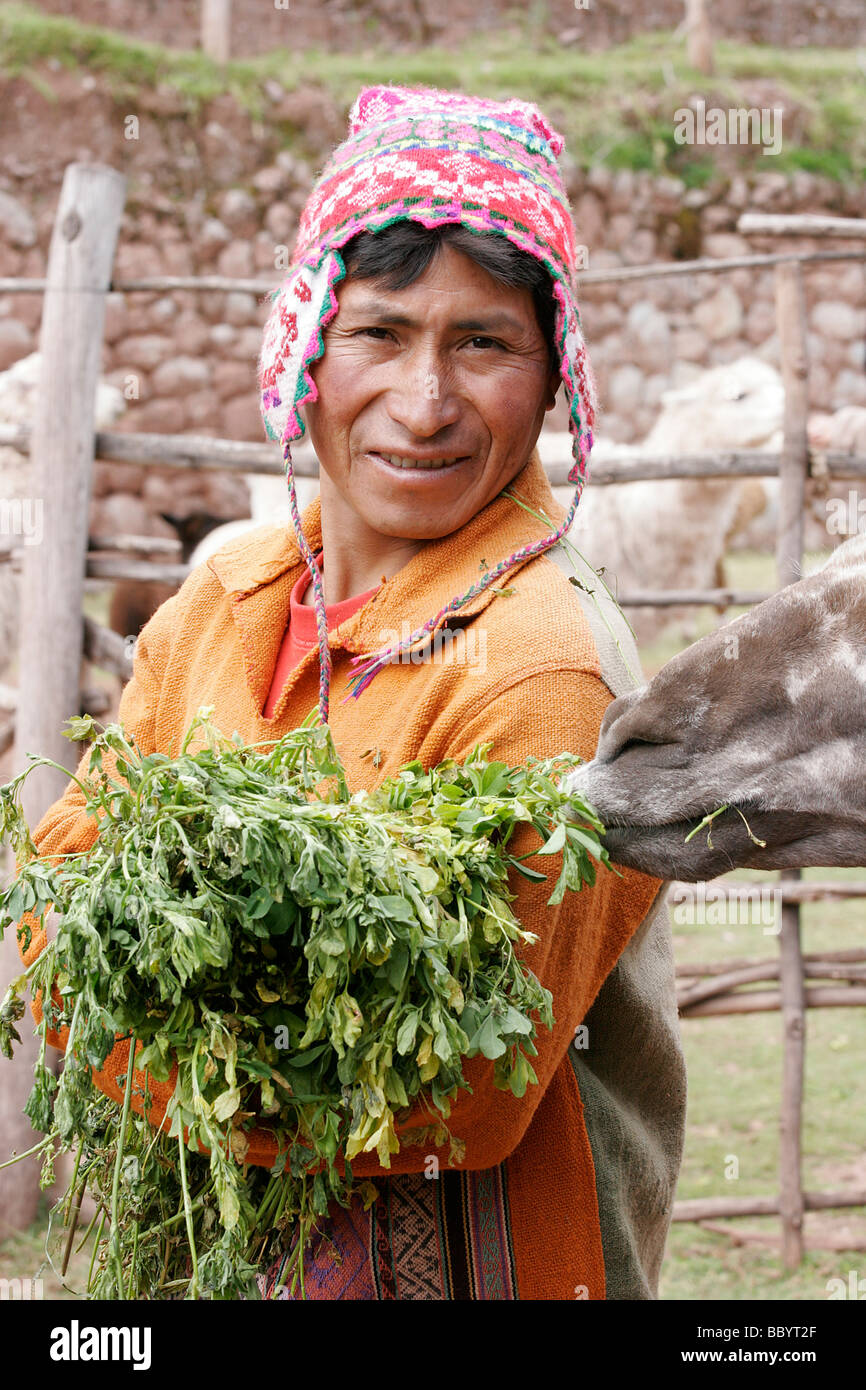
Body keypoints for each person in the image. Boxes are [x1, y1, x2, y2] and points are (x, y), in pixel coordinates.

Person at [18, 84, 686, 1300]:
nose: (424, 402)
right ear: (307, 349)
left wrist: (126, 1014)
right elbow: (58, 885)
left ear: (549, 383)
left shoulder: (542, 664)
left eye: (481, 342)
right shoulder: (227, 595)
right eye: (380, 331)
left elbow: (462, 1096)